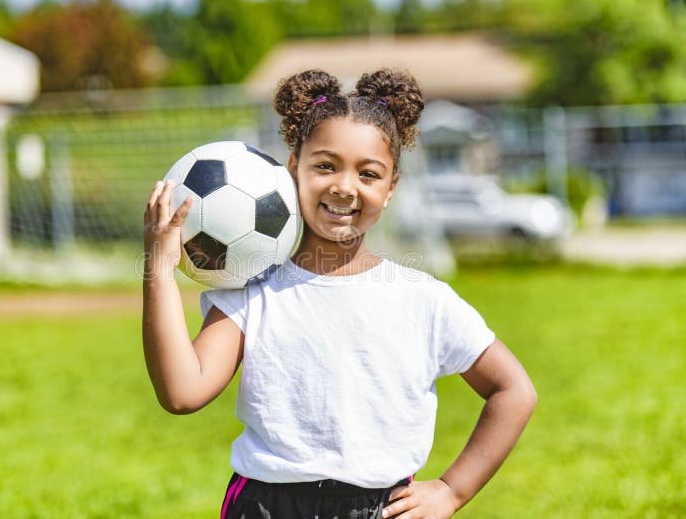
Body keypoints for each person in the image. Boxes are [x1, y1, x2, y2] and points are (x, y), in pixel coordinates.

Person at [142, 68, 537, 519]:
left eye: (368, 174)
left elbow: (513, 390)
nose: (344, 187)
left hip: (383, 508)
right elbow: (181, 392)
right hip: (266, 506)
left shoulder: (424, 300)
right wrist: (159, 269)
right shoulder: (250, 293)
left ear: (391, 189)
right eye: (325, 166)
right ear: (293, 169)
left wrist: (451, 490)